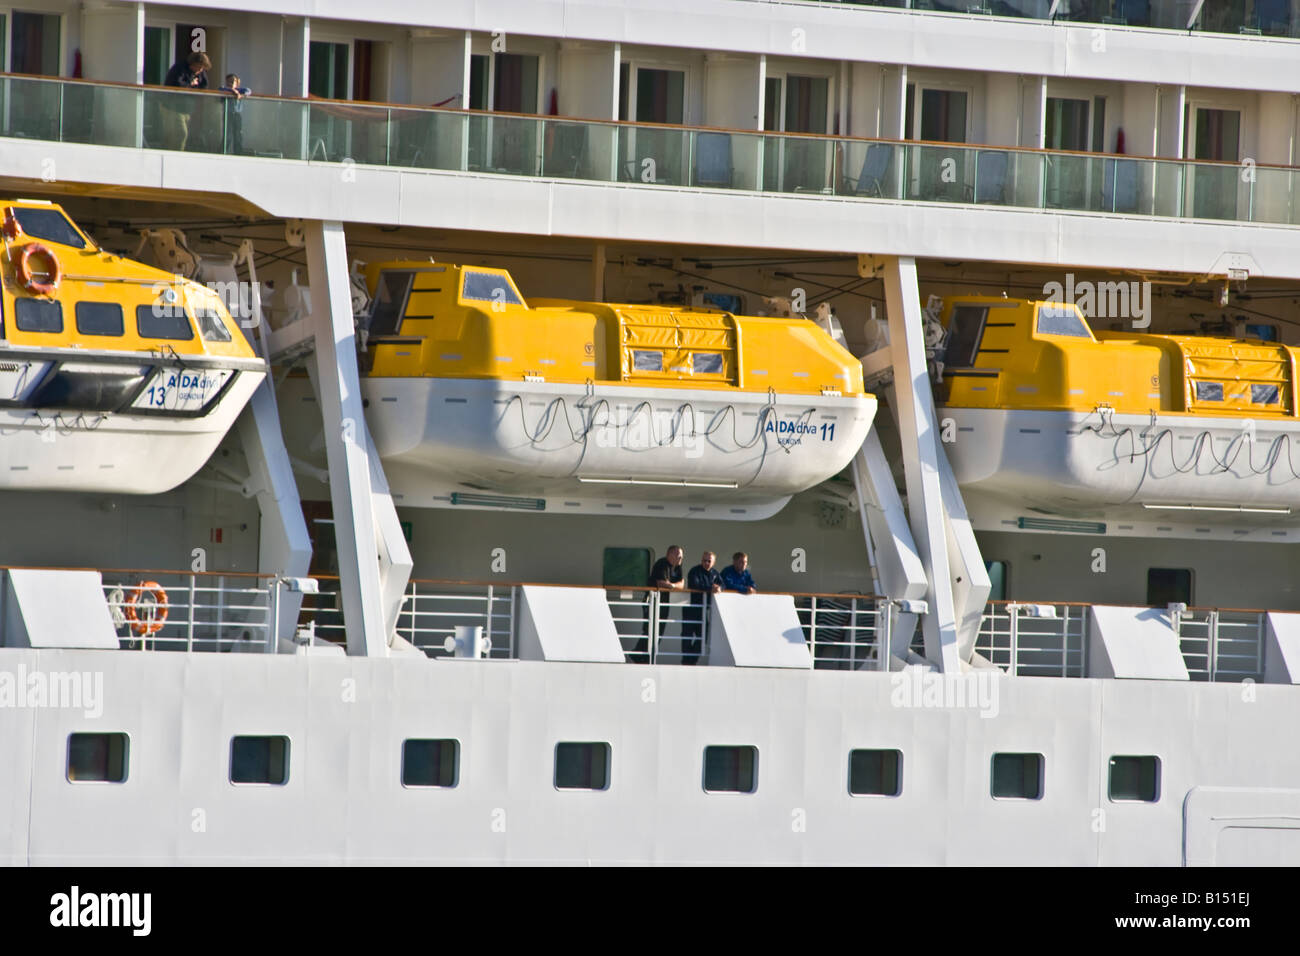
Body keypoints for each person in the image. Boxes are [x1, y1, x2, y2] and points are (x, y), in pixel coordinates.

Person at [631, 545, 683, 663]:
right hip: (651, 600)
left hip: (663, 602)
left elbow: (682, 583)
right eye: (678, 555)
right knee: (649, 628)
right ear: (669, 555)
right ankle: (638, 655)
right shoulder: (662, 564)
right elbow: (661, 583)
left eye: (681, 556)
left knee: (659, 630)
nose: (680, 558)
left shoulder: (678, 567)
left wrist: (672, 585)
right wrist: (671, 585)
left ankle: (646, 656)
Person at [160, 52, 212, 151]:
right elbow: (176, 84)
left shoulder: (200, 72)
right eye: (198, 67)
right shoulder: (179, 68)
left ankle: (169, 154)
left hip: (187, 109)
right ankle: (177, 157)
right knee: (181, 134)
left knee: (173, 136)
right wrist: (190, 84)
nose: (200, 70)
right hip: (172, 107)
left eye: (202, 68)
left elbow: (204, 86)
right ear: (192, 63)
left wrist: (194, 85)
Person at [682, 551, 722, 665]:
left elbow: (722, 585)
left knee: (702, 637)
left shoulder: (715, 573)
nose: (706, 563)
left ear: (713, 562)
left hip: (703, 610)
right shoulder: (694, 571)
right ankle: (686, 661)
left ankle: (692, 661)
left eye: (709, 561)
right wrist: (711, 588)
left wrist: (719, 588)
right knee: (687, 635)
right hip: (691, 608)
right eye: (704, 560)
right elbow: (696, 585)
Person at [219, 73, 251, 154]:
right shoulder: (224, 89)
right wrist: (233, 91)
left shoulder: (240, 90)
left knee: (238, 134)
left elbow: (248, 90)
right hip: (228, 114)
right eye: (229, 81)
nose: (232, 83)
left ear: (237, 83)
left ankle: (238, 152)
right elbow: (221, 89)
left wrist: (242, 94)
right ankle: (223, 151)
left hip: (237, 114)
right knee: (227, 135)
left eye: (234, 81)